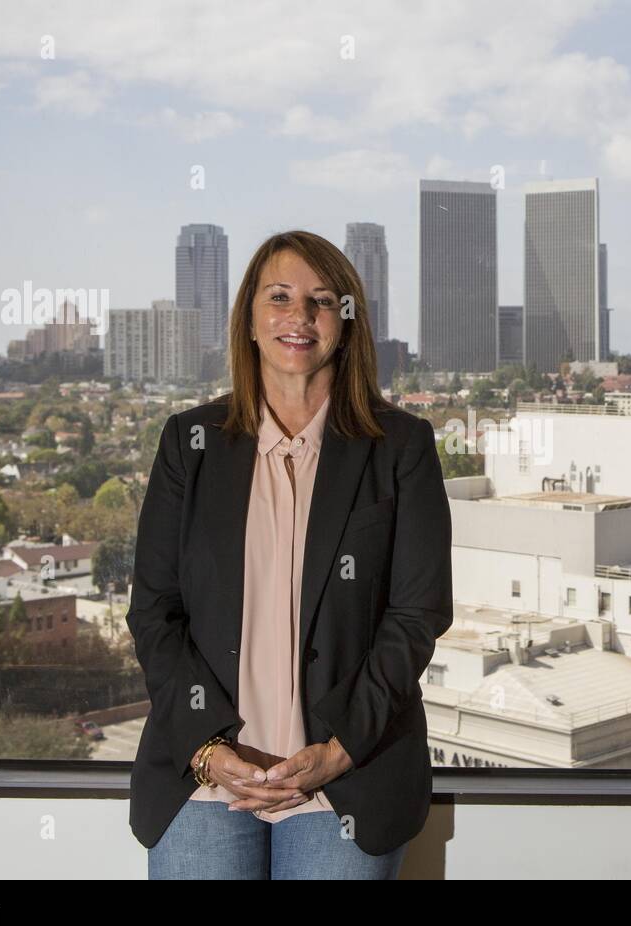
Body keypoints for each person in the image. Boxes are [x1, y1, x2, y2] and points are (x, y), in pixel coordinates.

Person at [127, 229, 453, 879]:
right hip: (203, 776)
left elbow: (415, 616)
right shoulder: (187, 444)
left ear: (347, 321)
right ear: (249, 317)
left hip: (347, 780)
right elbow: (155, 612)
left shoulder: (402, 447)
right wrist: (206, 749)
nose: (299, 316)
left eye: (322, 300)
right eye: (279, 297)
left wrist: (340, 749)